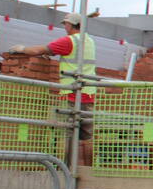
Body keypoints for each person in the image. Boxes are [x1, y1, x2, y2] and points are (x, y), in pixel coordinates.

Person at [10, 12, 97, 160]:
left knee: (67, 133)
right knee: (85, 135)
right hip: (88, 94)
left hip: (72, 94)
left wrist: (21, 49)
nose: (65, 27)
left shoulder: (70, 41)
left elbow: (39, 50)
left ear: (70, 25)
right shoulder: (89, 41)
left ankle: (66, 169)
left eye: (66, 24)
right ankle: (84, 168)